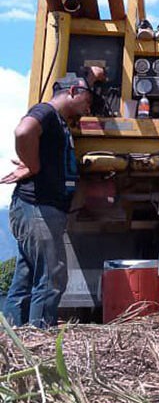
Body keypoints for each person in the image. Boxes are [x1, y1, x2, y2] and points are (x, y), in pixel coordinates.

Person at [2, 74, 93, 327]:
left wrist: (96, 76)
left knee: (26, 277)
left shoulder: (61, 121)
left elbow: (87, 81)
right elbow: (23, 130)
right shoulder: (46, 112)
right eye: (88, 100)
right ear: (73, 91)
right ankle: (40, 340)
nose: (89, 108)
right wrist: (32, 165)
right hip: (36, 208)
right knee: (52, 275)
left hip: (37, 210)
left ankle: (15, 341)